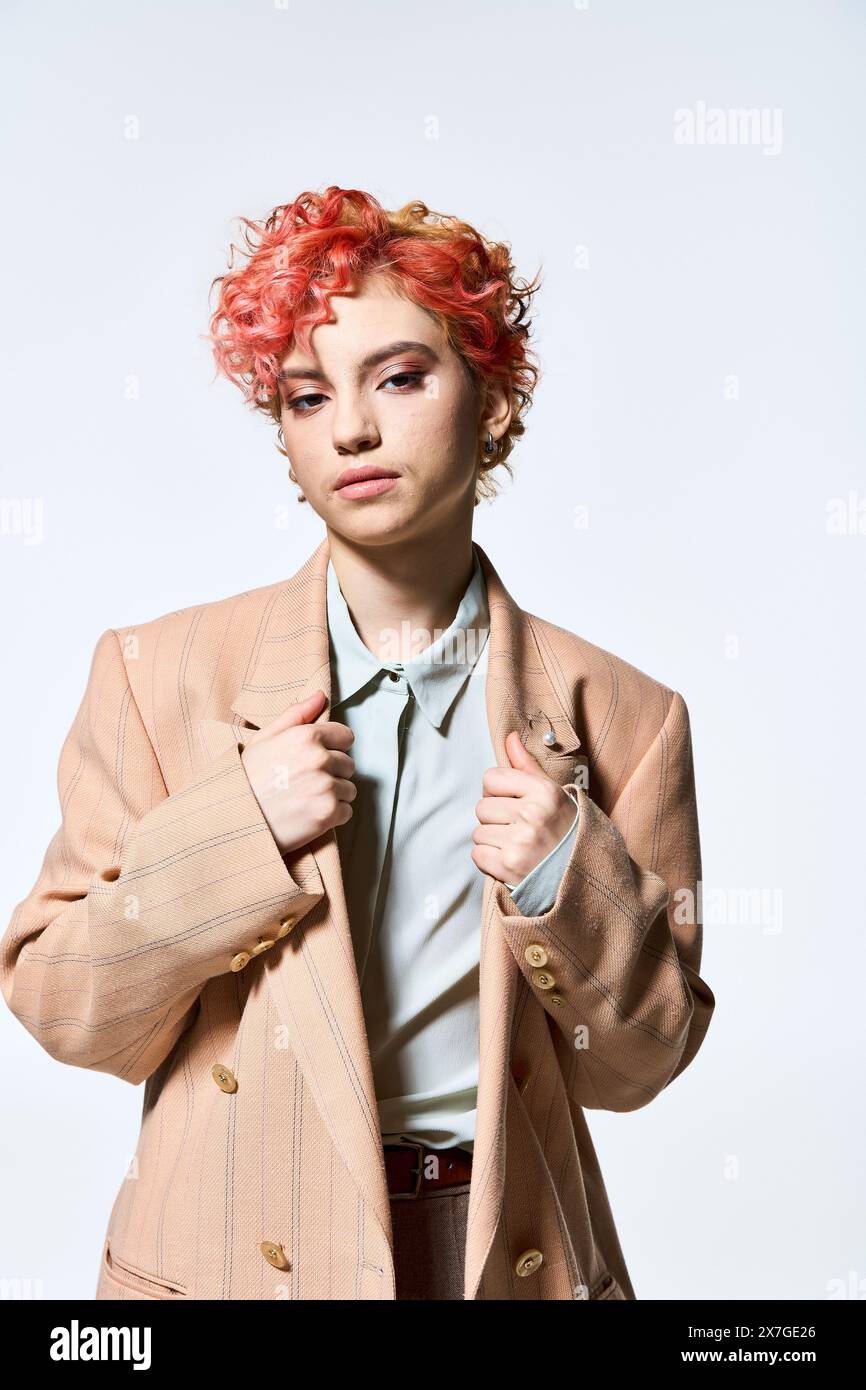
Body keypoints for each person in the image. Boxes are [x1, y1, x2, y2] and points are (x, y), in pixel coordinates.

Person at [0, 186, 714, 1301]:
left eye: (399, 376)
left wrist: (568, 878)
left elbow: (639, 1064)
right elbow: (63, 1009)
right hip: (235, 1251)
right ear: (282, 438)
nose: (350, 429)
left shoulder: (622, 712)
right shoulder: (157, 675)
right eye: (303, 395)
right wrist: (237, 837)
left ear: (490, 400)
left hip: (499, 1249)